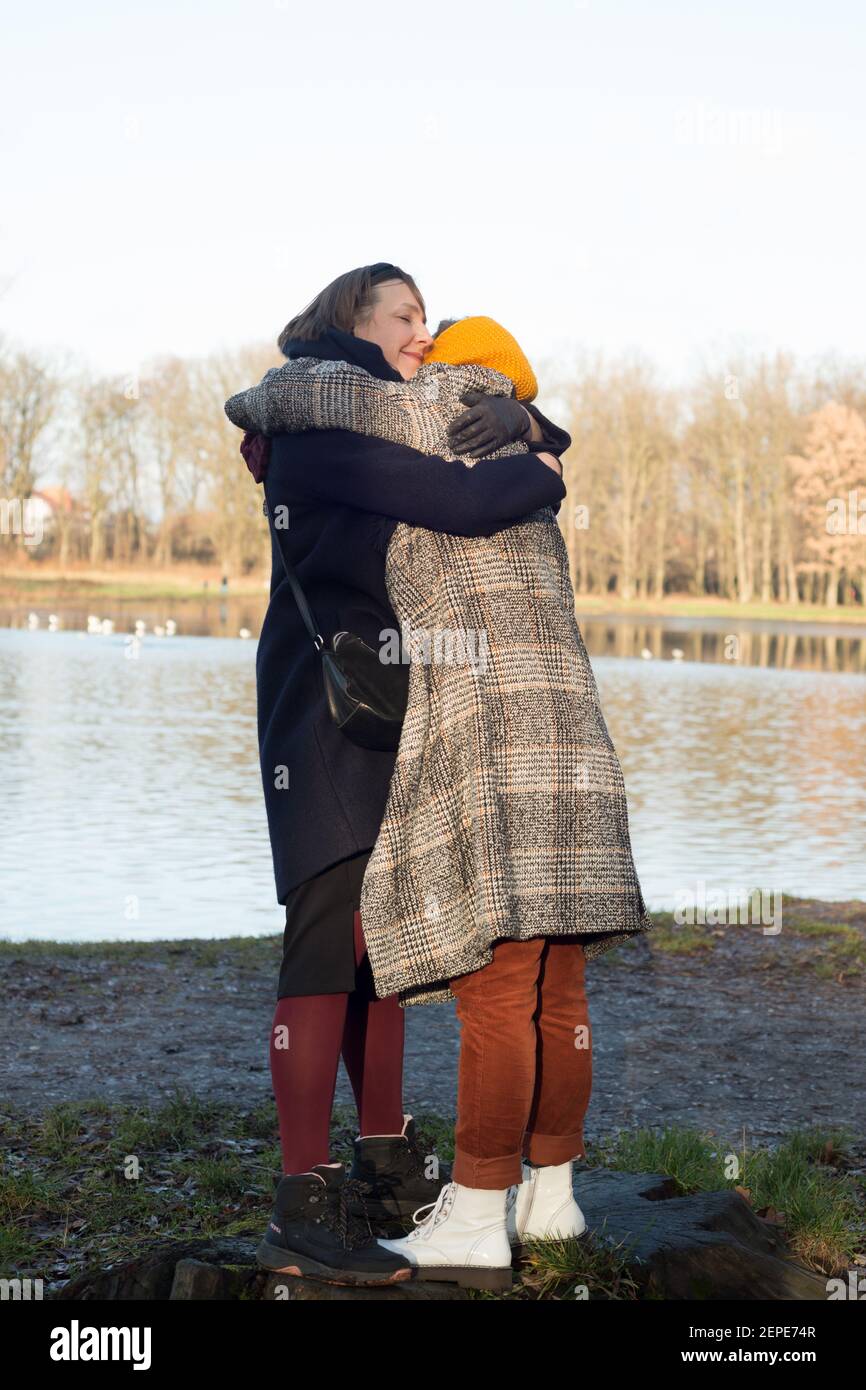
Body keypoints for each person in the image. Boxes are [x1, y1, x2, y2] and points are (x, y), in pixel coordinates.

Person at [226, 309, 655, 1291]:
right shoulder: (505, 465)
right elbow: (312, 401)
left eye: (430, 327)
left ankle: (468, 1210)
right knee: (552, 989)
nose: (416, 340)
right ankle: (542, 1193)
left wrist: (533, 435)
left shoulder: (435, 428)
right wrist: (542, 444)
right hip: (556, 739)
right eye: (401, 315)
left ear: (460, 376)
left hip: (483, 732)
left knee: (497, 990)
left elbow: (329, 408)